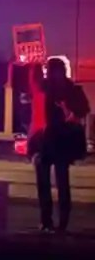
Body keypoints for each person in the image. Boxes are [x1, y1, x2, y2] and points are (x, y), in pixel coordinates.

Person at [27, 58, 88, 233]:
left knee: (45, 182)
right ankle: (61, 221)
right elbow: (83, 111)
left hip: (46, 140)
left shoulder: (44, 88)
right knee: (62, 181)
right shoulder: (70, 89)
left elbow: (37, 116)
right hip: (61, 141)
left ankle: (47, 221)